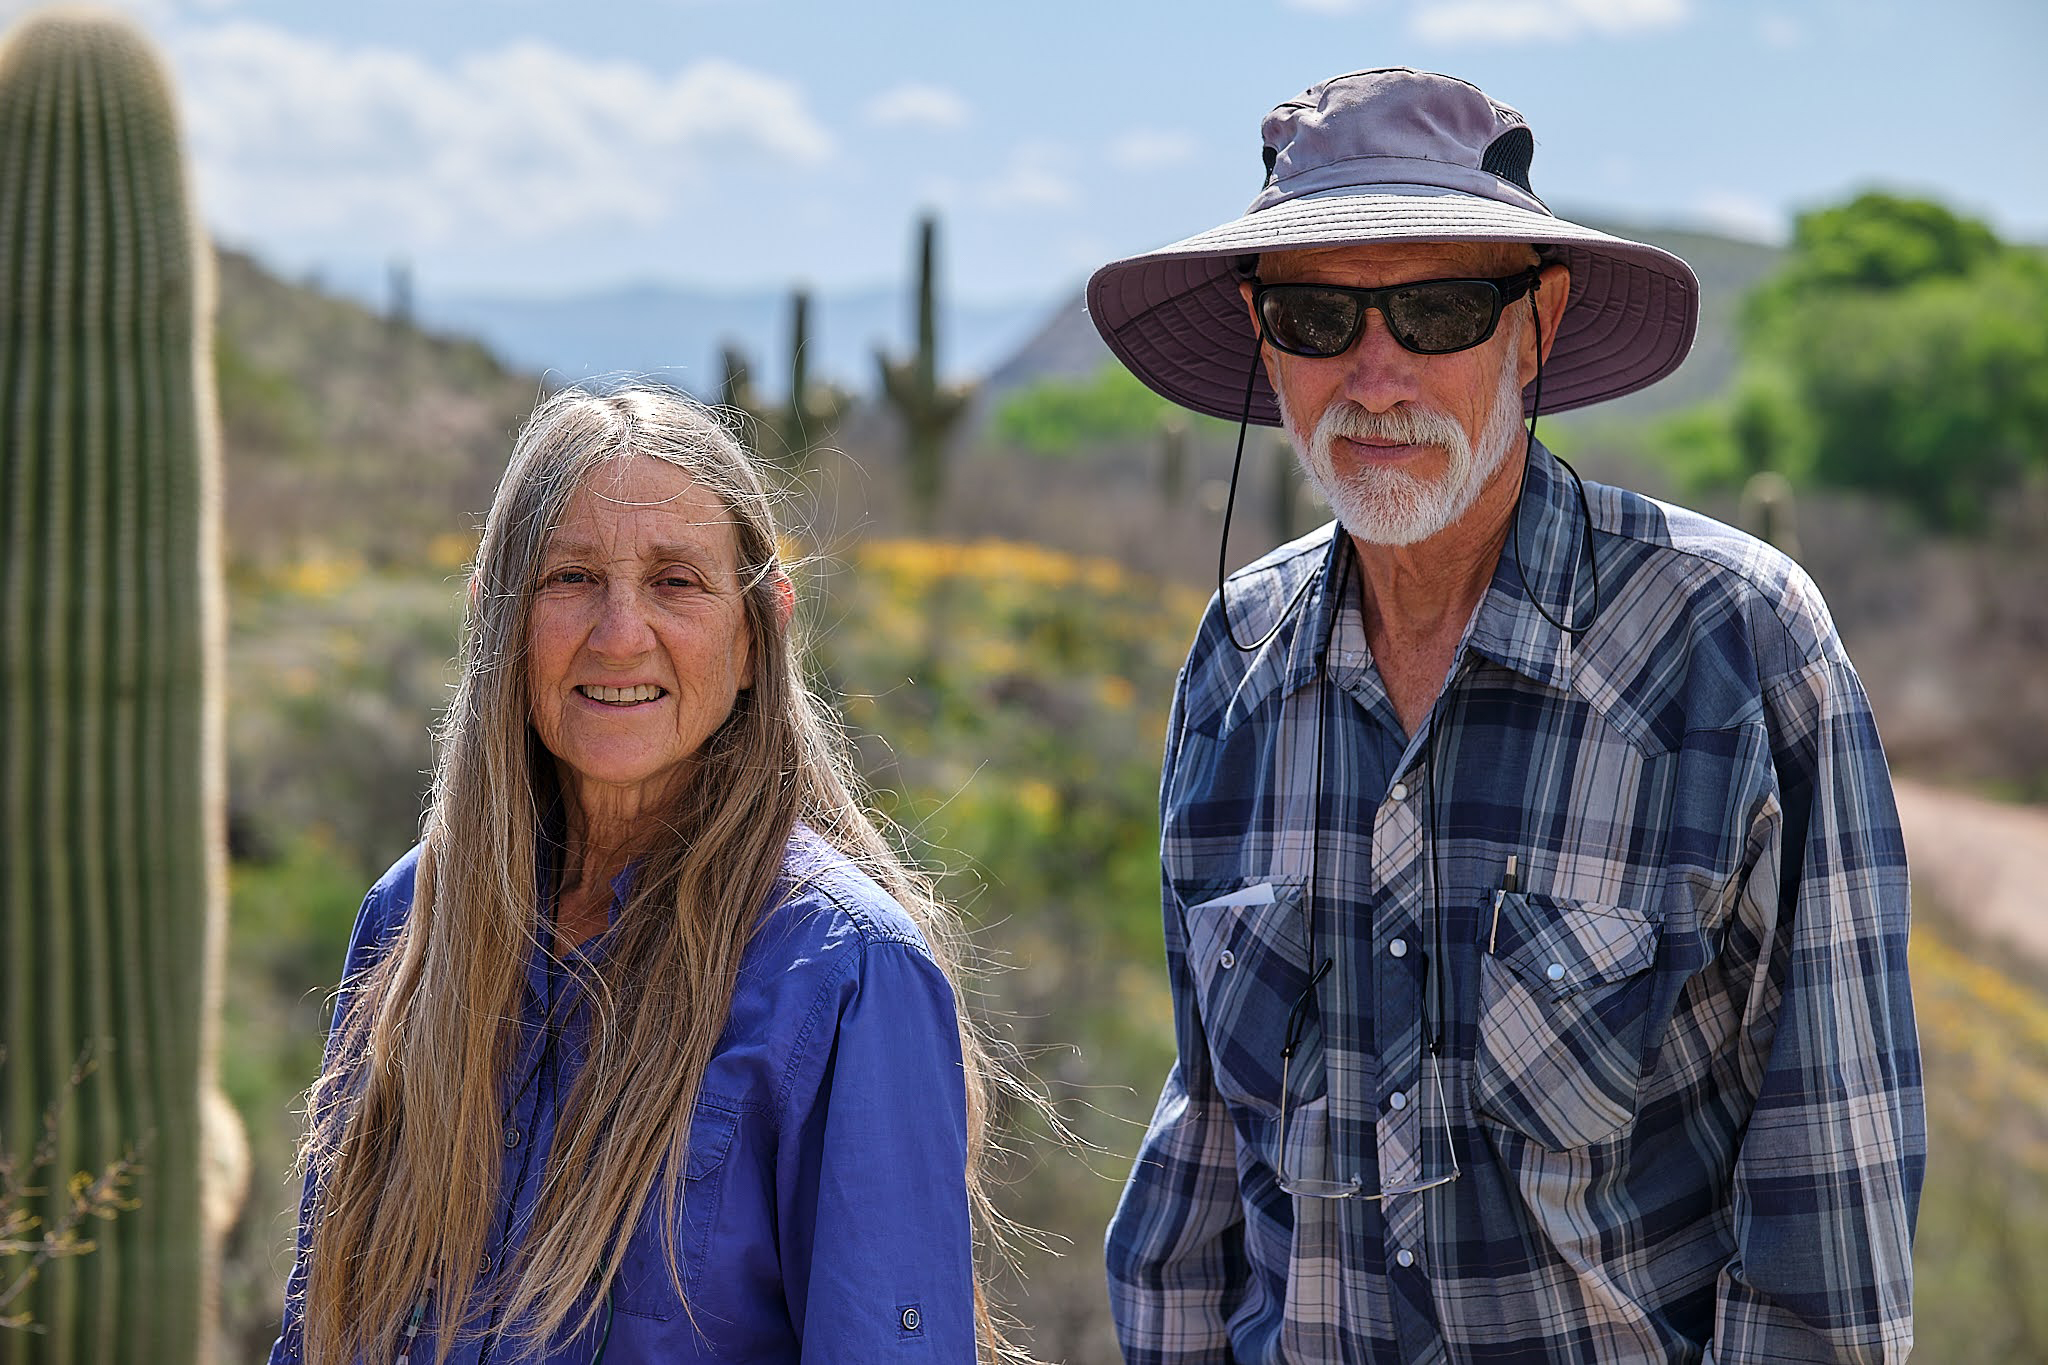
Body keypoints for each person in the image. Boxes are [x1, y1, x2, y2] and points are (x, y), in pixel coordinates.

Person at [1089, 68, 1922, 1363]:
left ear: (1535, 326)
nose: (1375, 372)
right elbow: (1201, 1154)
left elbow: (1831, 1224)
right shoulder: (1238, 660)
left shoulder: (1739, 649)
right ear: (1266, 340)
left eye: (1437, 309)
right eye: (1317, 316)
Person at [269, 387, 997, 1364]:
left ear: (756, 632)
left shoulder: (843, 974)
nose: (618, 634)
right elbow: (318, 1327)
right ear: (497, 616)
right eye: (570, 578)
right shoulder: (413, 914)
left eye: (676, 582)